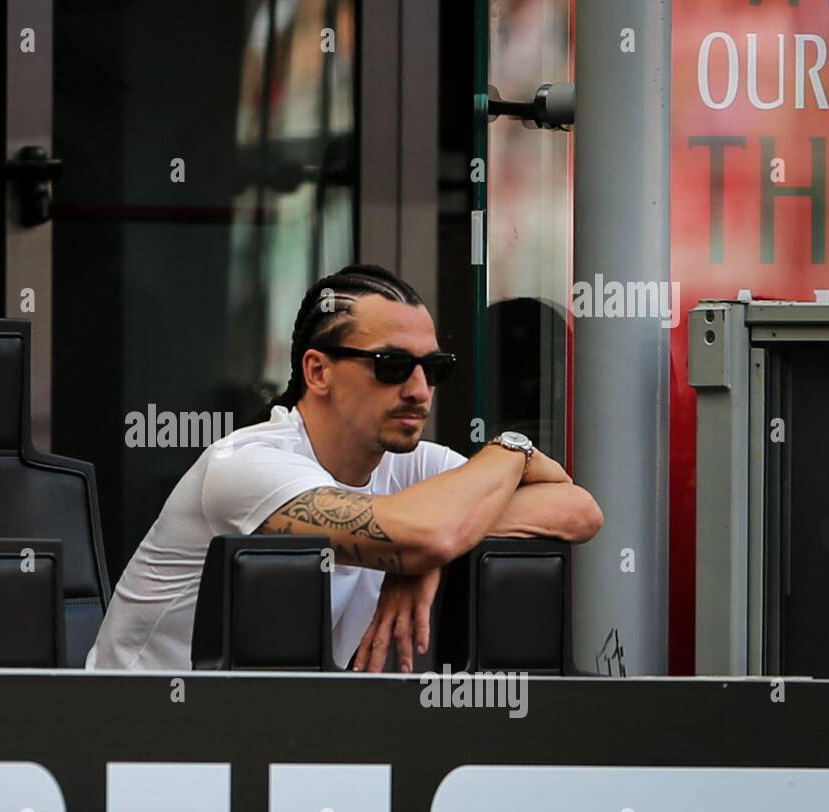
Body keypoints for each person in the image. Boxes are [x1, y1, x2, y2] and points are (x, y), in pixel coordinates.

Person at [86, 264, 603, 672]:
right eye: (392, 366)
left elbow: (579, 511)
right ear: (318, 371)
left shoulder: (411, 465)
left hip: (269, 735)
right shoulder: (245, 467)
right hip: (139, 739)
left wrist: (504, 454)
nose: (419, 390)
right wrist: (417, 547)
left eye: (434, 368)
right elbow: (431, 533)